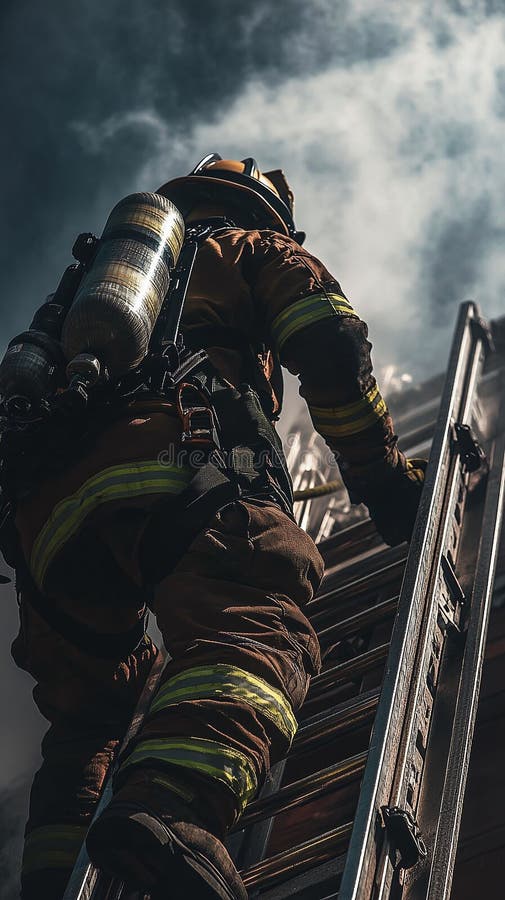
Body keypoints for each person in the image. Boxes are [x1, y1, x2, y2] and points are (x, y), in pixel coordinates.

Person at [6, 155, 425, 899]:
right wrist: (381, 477)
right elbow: (326, 341)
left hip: (47, 521)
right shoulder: (250, 250)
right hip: (181, 462)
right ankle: (173, 812)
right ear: (268, 211)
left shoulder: (89, 289)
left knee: (84, 726)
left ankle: (47, 883)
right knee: (255, 623)